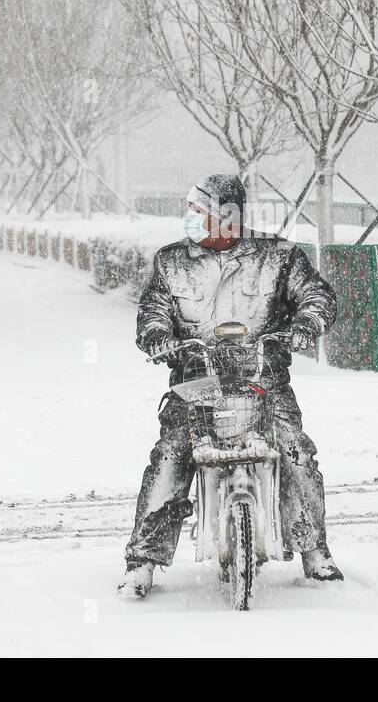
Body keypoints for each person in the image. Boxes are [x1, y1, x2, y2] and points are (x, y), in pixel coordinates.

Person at [117, 174, 342, 599]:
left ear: (227, 216)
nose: (192, 219)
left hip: (264, 378)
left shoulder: (278, 257)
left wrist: (307, 324)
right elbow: (153, 310)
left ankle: (314, 550)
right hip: (197, 380)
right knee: (170, 455)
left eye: (199, 211)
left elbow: (317, 295)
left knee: (294, 449)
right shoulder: (172, 261)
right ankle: (142, 560)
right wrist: (158, 336)